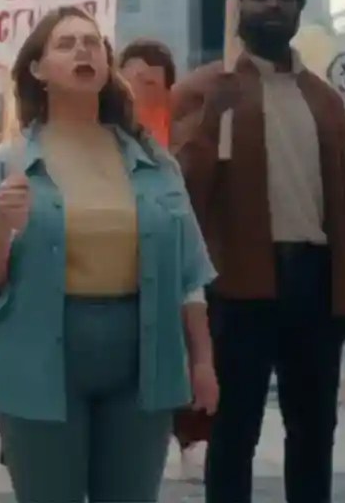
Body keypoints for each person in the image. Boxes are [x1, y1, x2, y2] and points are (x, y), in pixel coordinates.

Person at [0, 6, 218, 502]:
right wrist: (1, 230)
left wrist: (202, 360)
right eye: (66, 43)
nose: (83, 50)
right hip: (37, 360)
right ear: (38, 70)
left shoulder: (153, 162)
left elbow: (189, 273)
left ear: (105, 64)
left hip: (142, 356)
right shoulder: (5, 167)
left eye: (92, 42)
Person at [171, 0, 345, 503]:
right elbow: (183, 196)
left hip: (316, 285)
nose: (272, 4)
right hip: (239, 288)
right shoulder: (203, 90)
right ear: (239, 5)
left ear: (298, 9)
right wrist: (207, 123)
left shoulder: (324, 100)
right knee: (233, 432)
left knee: (315, 432)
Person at [120, 37, 212, 481]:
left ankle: (192, 435)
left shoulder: (181, 137)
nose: (139, 87)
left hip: (174, 264)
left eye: (150, 81)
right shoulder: (101, 133)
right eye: (131, 78)